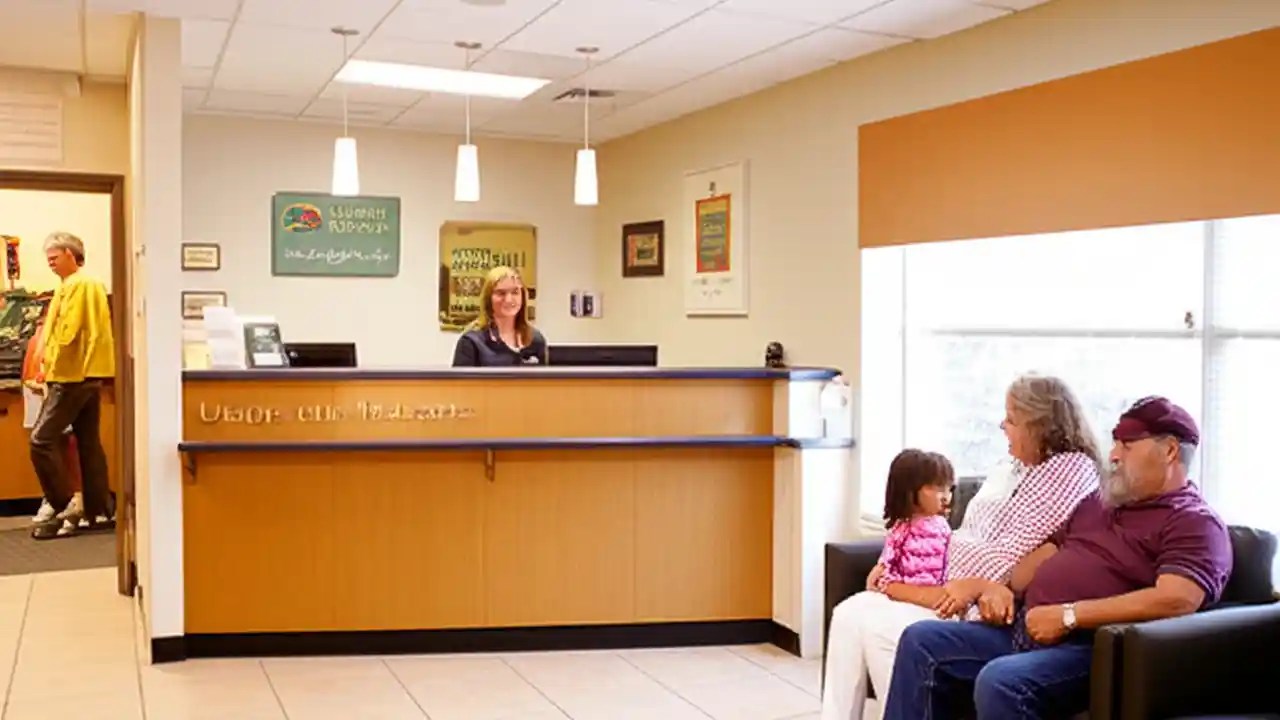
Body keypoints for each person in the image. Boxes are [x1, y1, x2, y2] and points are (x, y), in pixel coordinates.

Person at [883, 395, 1232, 720]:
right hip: (1025, 628)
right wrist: (996, 587)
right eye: (1115, 443)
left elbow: (1177, 598)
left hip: (1093, 650)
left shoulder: (1194, 522)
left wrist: (1069, 616)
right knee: (921, 641)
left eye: (1127, 445)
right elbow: (1049, 554)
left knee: (1002, 681)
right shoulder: (1100, 503)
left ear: (1170, 450)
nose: (1113, 455)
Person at [821, 374, 1102, 720]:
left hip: (968, 599)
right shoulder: (1014, 467)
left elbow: (1006, 560)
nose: (1003, 426)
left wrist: (951, 574)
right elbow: (966, 535)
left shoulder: (1067, 473)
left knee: (882, 631)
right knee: (849, 612)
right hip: (946, 578)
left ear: (1038, 425)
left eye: (1012, 419)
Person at [29, 231, 116, 540]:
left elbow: (84, 332)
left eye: (54, 256)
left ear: (70, 253)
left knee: (40, 440)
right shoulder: (67, 286)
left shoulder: (84, 284)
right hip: (76, 374)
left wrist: (71, 370)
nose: (50, 262)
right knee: (88, 441)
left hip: (74, 376)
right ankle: (99, 508)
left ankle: (65, 505)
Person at [867, 450, 955, 593]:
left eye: (948, 489)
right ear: (910, 491)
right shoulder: (904, 526)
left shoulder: (943, 526)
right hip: (905, 587)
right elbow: (889, 556)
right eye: (937, 489)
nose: (946, 496)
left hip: (935, 590)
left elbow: (949, 558)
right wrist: (879, 572)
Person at [451, 266, 547, 367]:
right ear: (488, 299)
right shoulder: (471, 343)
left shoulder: (535, 340)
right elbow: (459, 383)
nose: (509, 299)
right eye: (501, 293)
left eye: (515, 292)